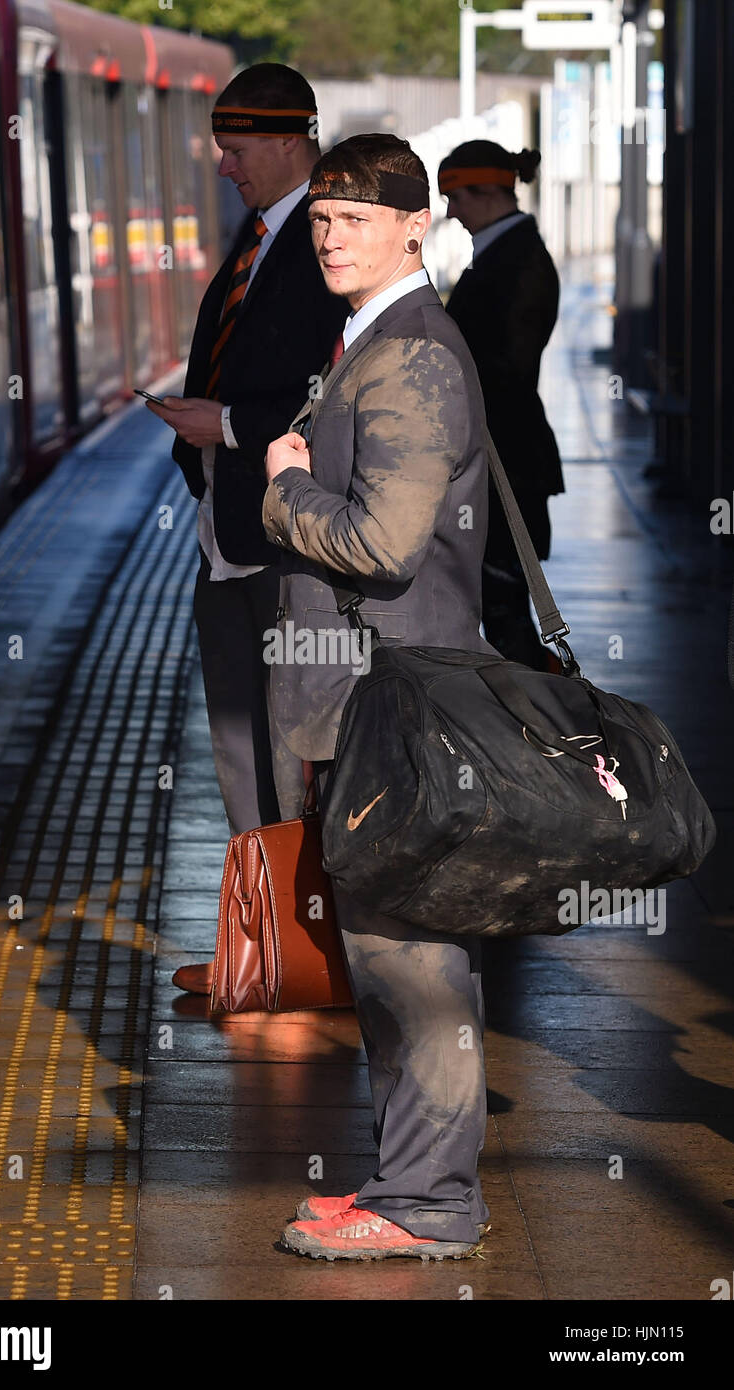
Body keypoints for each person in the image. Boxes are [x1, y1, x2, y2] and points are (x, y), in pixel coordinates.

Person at [263, 133, 497, 1260]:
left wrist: (285, 488)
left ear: (416, 226)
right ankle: (407, 1182)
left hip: (396, 705)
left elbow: (385, 545)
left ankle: (432, 1202)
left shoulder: (410, 354)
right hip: (379, 701)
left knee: (415, 963)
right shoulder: (377, 339)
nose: (330, 236)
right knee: (390, 957)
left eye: (356, 218)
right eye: (320, 219)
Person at [145, 66, 348, 994]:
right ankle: (264, 949)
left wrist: (223, 425)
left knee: (288, 748)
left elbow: (327, 398)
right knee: (241, 745)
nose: (223, 166)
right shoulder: (262, 235)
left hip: (283, 540)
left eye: (235, 149)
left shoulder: (321, 244)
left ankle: (301, 956)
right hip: (228, 529)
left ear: (288, 140)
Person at [439, 140, 564, 671]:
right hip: (501, 463)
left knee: (506, 617)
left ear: (488, 191)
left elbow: (507, 368)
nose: (450, 212)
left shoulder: (520, 262)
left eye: (455, 197)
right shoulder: (505, 254)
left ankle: (544, 713)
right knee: (501, 615)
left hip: (508, 466)